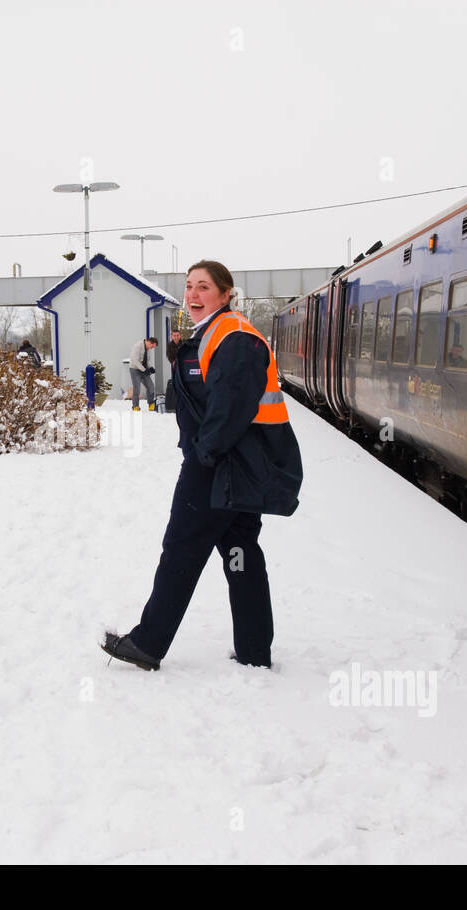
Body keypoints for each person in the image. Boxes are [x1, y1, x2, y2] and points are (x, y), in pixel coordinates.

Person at [103, 260, 302, 670]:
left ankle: (148, 644)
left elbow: (229, 410)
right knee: (240, 553)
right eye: (189, 286)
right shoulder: (215, 334)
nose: (193, 295)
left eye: (204, 287)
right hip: (233, 465)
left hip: (220, 466)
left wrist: (202, 457)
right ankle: (253, 650)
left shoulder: (235, 338)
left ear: (226, 293)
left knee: (181, 549)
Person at [128, 337, 158, 410]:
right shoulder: (137, 346)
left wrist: (150, 367)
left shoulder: (148, 349)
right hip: (134, 369)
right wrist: (144, 370)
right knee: (137, 388)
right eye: (152, 346)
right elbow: (135, 361)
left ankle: (151, 404)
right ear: (149, 342)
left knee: (151, 386)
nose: (152, 348)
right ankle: (135, 406)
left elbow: (147, 360)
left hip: (143, 369)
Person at [163, 327, 182, 414]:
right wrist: (174, 362)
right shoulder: (169, 345)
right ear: (172, 336)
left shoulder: (184, 343)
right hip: (174, 366)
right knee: (175, 383)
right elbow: (169, 356)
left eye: (177, 335)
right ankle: (175, 403)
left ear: (180, 336)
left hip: (183, 366)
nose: (176, 337)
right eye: (174, 336)